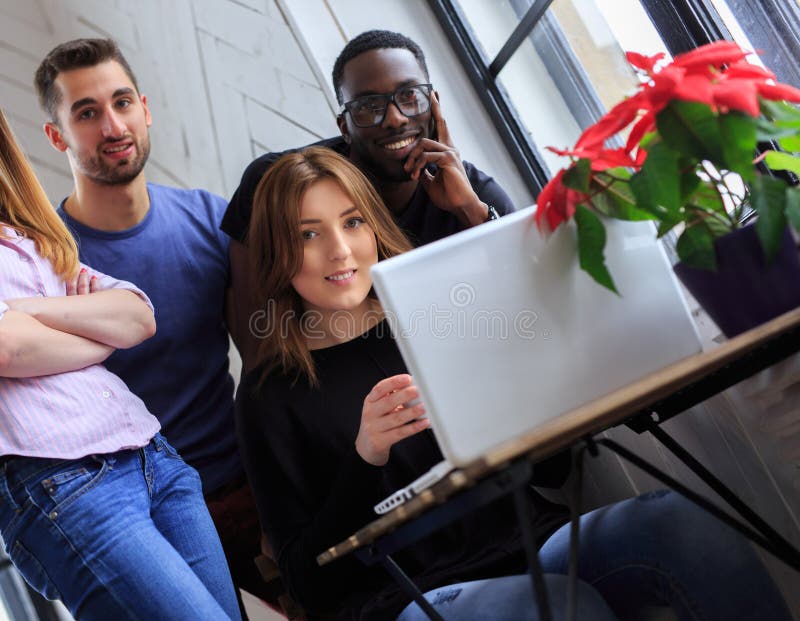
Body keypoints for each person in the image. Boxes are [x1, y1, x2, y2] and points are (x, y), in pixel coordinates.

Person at [236, 146, 793, 621]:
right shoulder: (269, 394)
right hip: (405, 597)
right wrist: (366, 457)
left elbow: (550, 470)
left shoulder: (435, 313)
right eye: (309, 234)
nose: (339, 250)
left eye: (353, 222)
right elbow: (308, 584)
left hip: (533, 540)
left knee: (681, 524)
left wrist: (544, 381)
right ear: (279, 253)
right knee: (555, 606)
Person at [33, 39, 280, 617]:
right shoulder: (45, 264)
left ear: (145, 108)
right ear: (57, 136)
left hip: (251, 486)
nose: (112, 125)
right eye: (86, 113)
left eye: (122, 103)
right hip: (143, 519)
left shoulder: (209, 218)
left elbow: (269, 353)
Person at [0, 105, 240, 620]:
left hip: (155, 459)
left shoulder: (29, 237)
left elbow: (135, 317)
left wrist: (31, 310)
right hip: (61, 484)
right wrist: (93, 335)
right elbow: (9, 347)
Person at [223, 29, 516, 371]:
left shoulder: (476, 196)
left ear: (434, 105)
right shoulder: (275, 183)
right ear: (345, 126)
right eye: (368, 106)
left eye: (410, 96)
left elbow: (531, 302)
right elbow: (250, 311)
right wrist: (273, 401)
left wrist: (468, 209)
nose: (395, 118)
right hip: (318, 385)